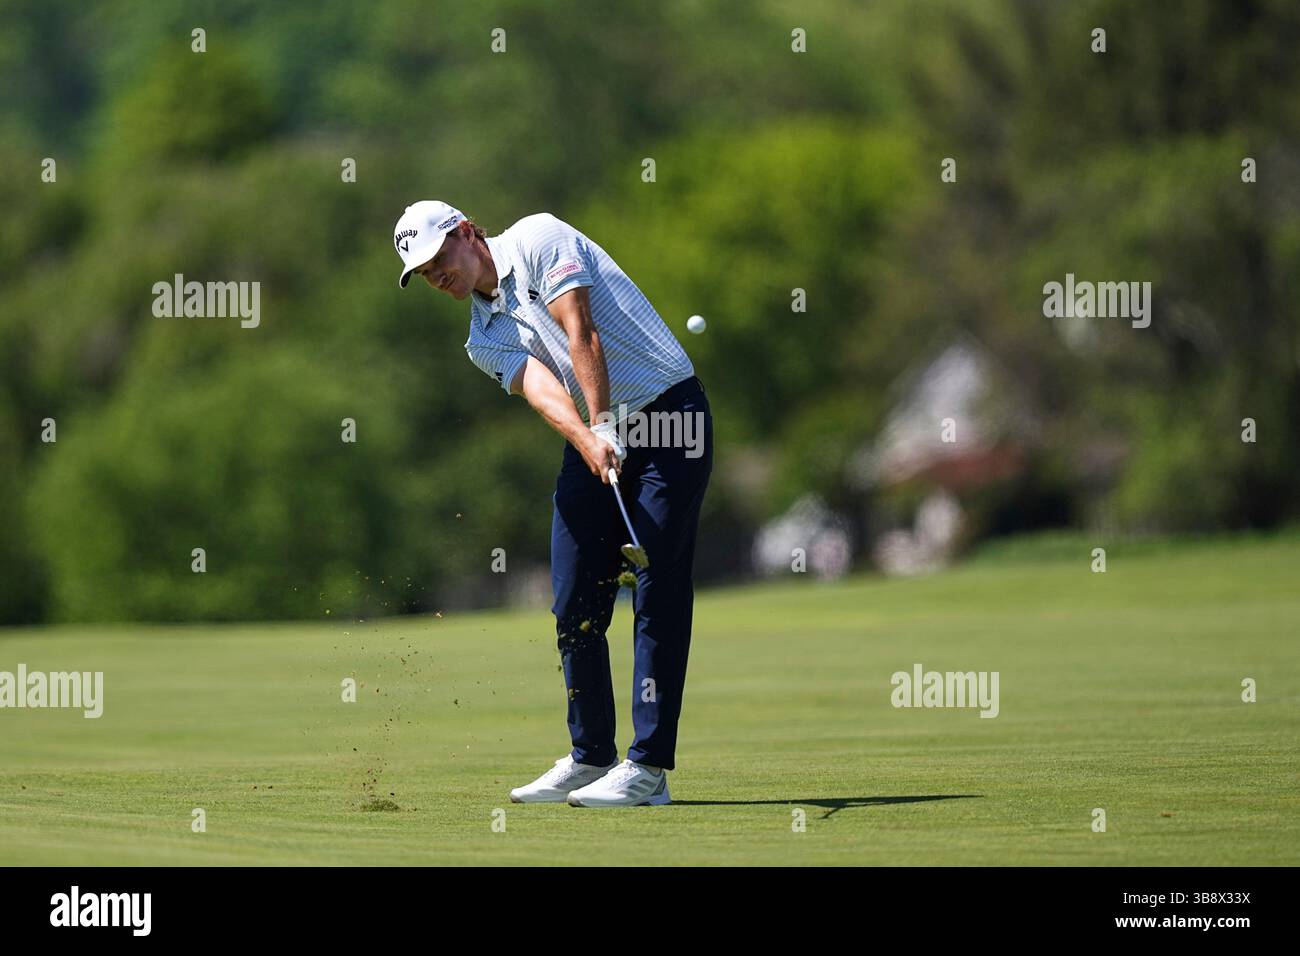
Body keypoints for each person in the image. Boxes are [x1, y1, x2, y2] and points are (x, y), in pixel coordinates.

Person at [392, 200, 712, 807]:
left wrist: (604, 422)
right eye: (425, 274)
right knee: (572, 597)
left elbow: (579, 328)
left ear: (465, 232)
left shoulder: (539, 238)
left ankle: (647, 769)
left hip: (670, 416)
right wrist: (590, 437)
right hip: (595, 433)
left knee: (656, 586)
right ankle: (592, 756)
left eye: (438, 260)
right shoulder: (481, 338)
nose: (437, 277)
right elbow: (541, 388)